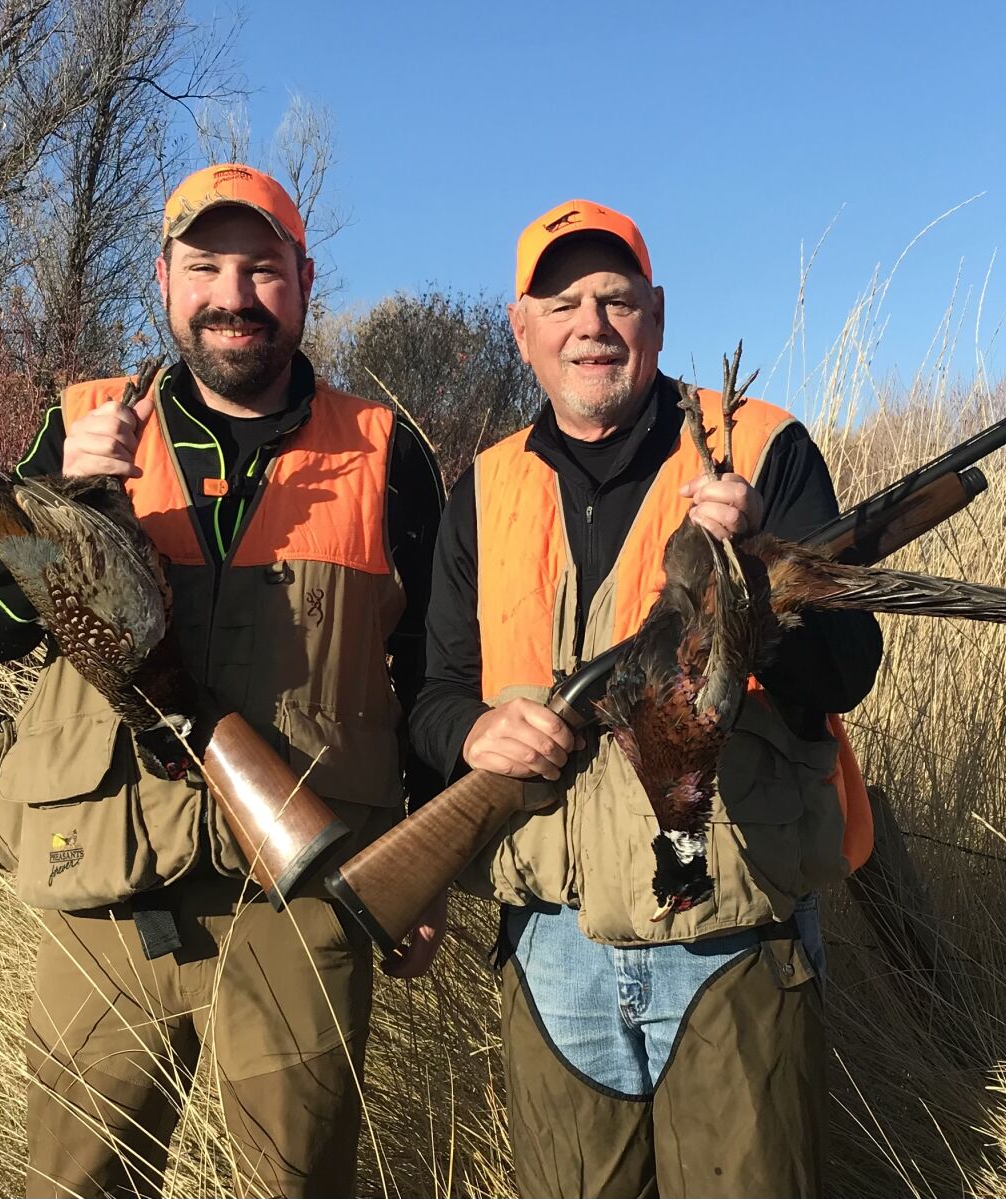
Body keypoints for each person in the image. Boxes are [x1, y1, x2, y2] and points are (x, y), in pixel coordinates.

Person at [0, 162, 446, 1199]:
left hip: (302, 885)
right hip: (109, 878)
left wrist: (425, 862)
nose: (233, 294)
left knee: (298, 1183)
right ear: (166, 283)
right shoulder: (78, 424)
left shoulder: (386, 451)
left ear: (304, 282)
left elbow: (431, 671)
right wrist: (55, 503)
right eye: (206, 266)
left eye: (262, 269)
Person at [409, 199, 884, 1197]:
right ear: (521, 326)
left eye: (617, 298)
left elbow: (847, 666)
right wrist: (477, 728)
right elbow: (434, 696)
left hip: (729, 936)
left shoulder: (764, 446)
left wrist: (761, 579)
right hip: (551, 947)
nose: (593, 322)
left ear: (657, 316)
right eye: (565, 300)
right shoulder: (482, 489)